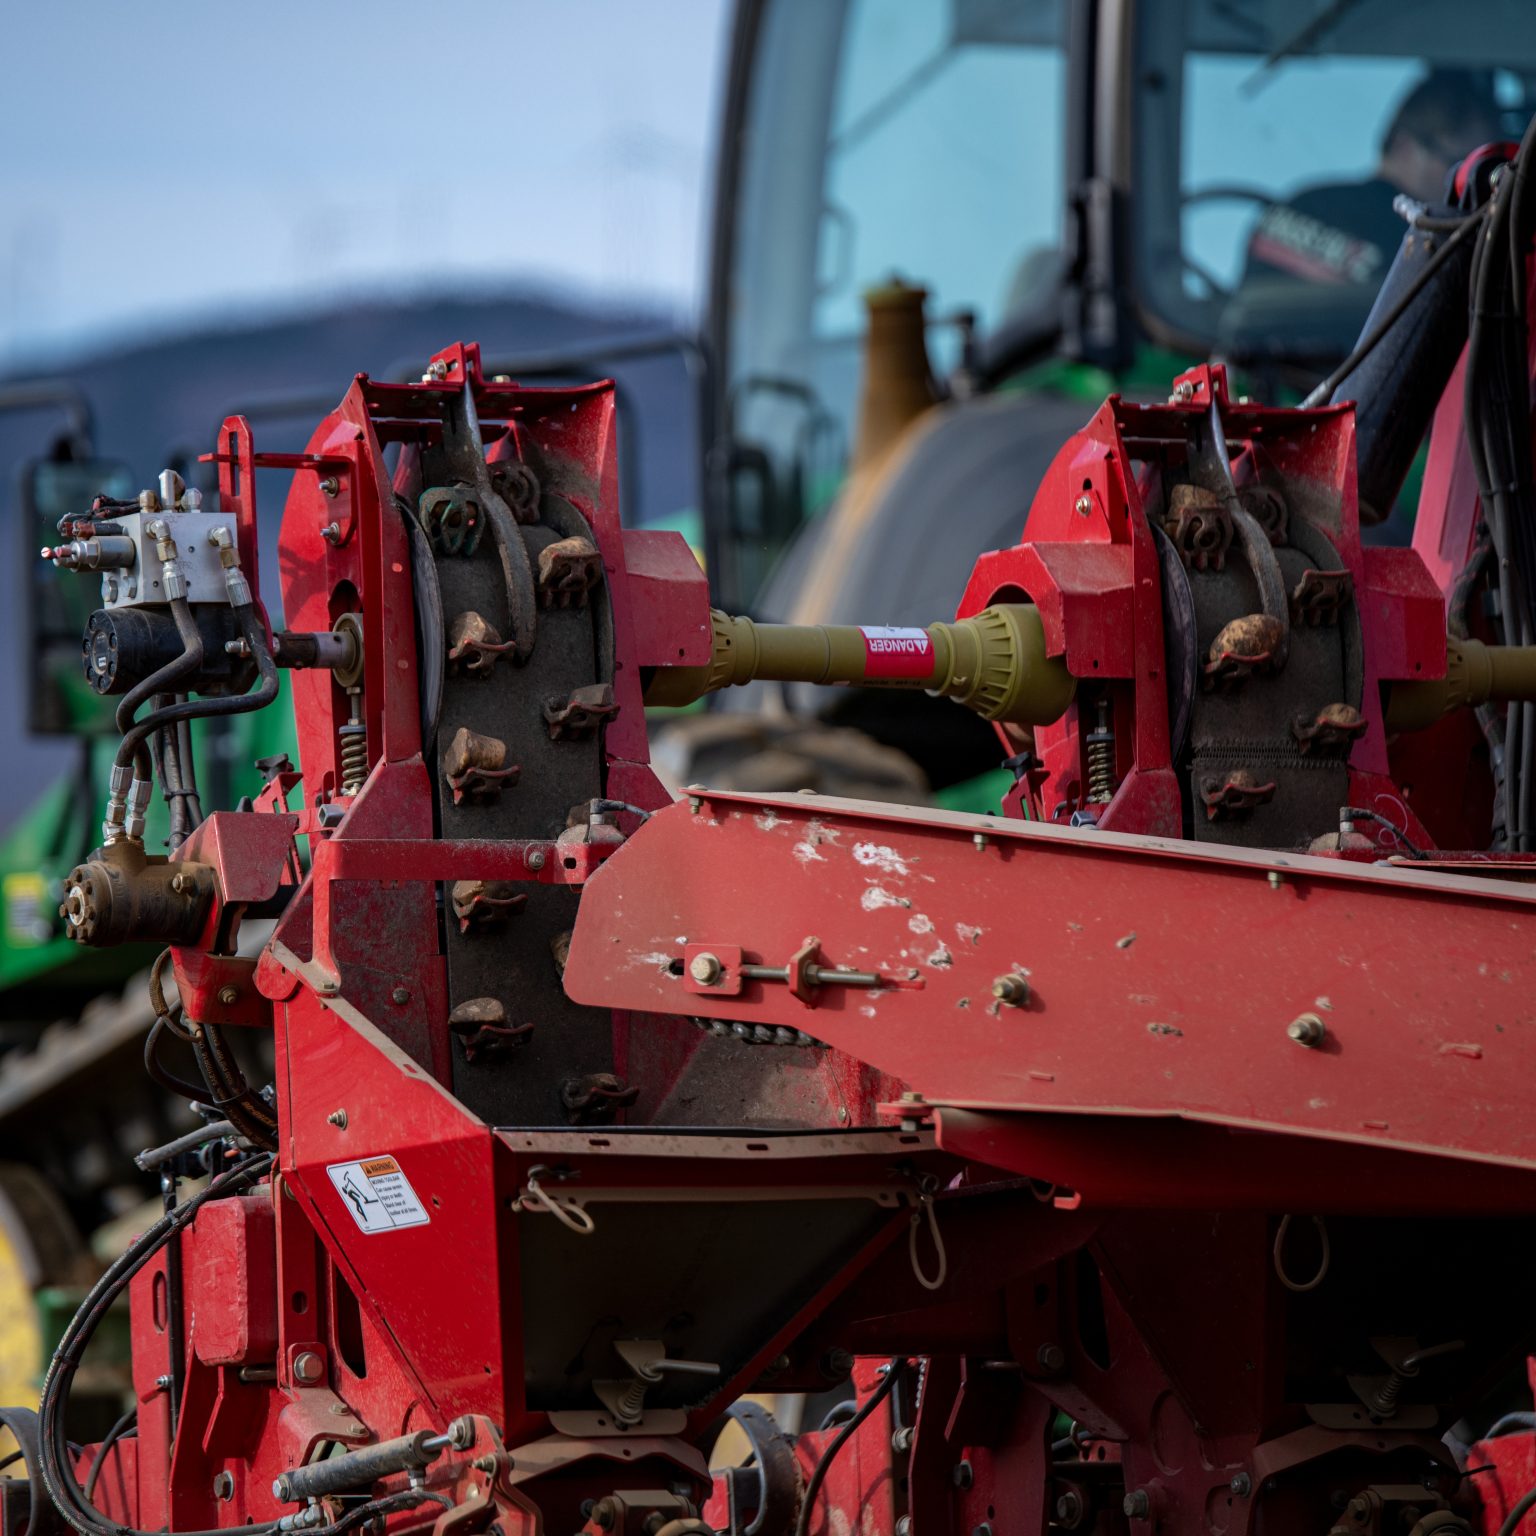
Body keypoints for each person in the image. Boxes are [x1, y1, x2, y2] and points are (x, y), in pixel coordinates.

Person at [1243, 69, 1501, 292]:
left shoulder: (1304, 202)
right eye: (1459, 165)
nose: (1473, 185)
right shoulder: (1426, 240)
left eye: (1484, 173)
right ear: (1403, 147)